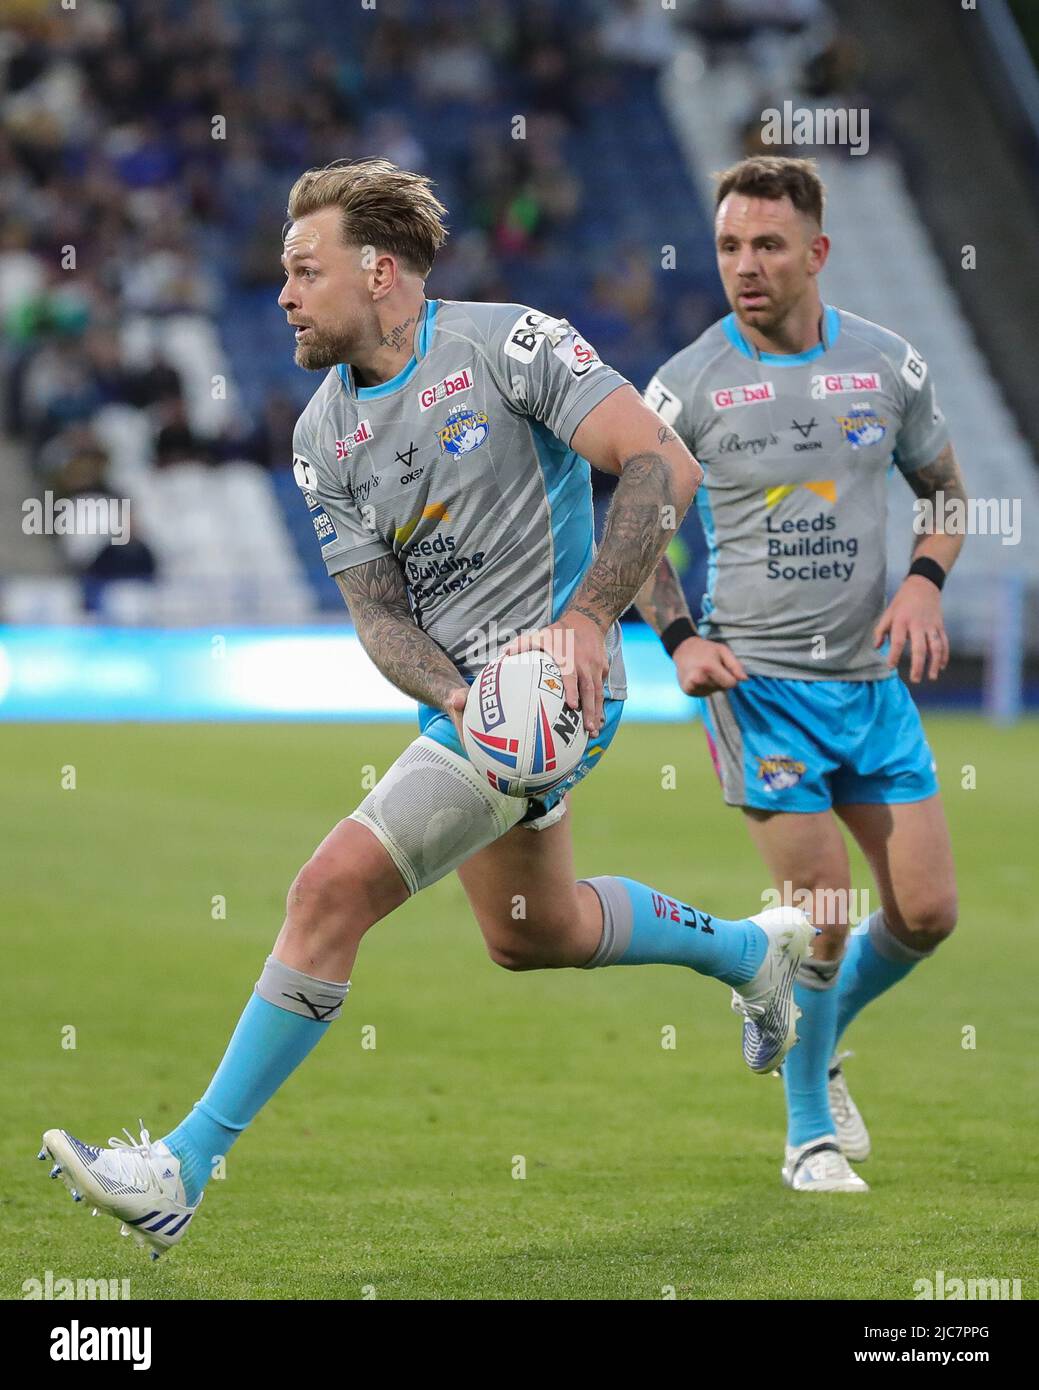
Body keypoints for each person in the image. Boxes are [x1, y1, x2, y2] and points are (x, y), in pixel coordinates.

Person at [40, 159, 813, 1255]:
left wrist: (590, 622)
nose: (283, 295)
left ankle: (183, 1164)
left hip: (564, 692)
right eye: (281, 273)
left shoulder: (508, 346)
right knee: (533, 935)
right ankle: (749, 953)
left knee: (328, 890)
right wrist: (461, 696)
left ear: (383, 272)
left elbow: (656, 464)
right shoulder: (319, 438)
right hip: (477, 711)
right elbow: (377, 617)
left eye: (305, 271)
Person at [638, 155, 963, 1192]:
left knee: (924, 913)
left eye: (768, 245)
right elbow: (637, 528)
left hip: (872, 686)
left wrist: (921, 584)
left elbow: (946, 495)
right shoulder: (687, 385)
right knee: (820, 907)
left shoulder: (885, 365)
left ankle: (812, 1035)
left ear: (816, 252)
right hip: (760, 687)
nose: (745, 264)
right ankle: (807, 1134)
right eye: (730, 245)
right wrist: (681, 638)